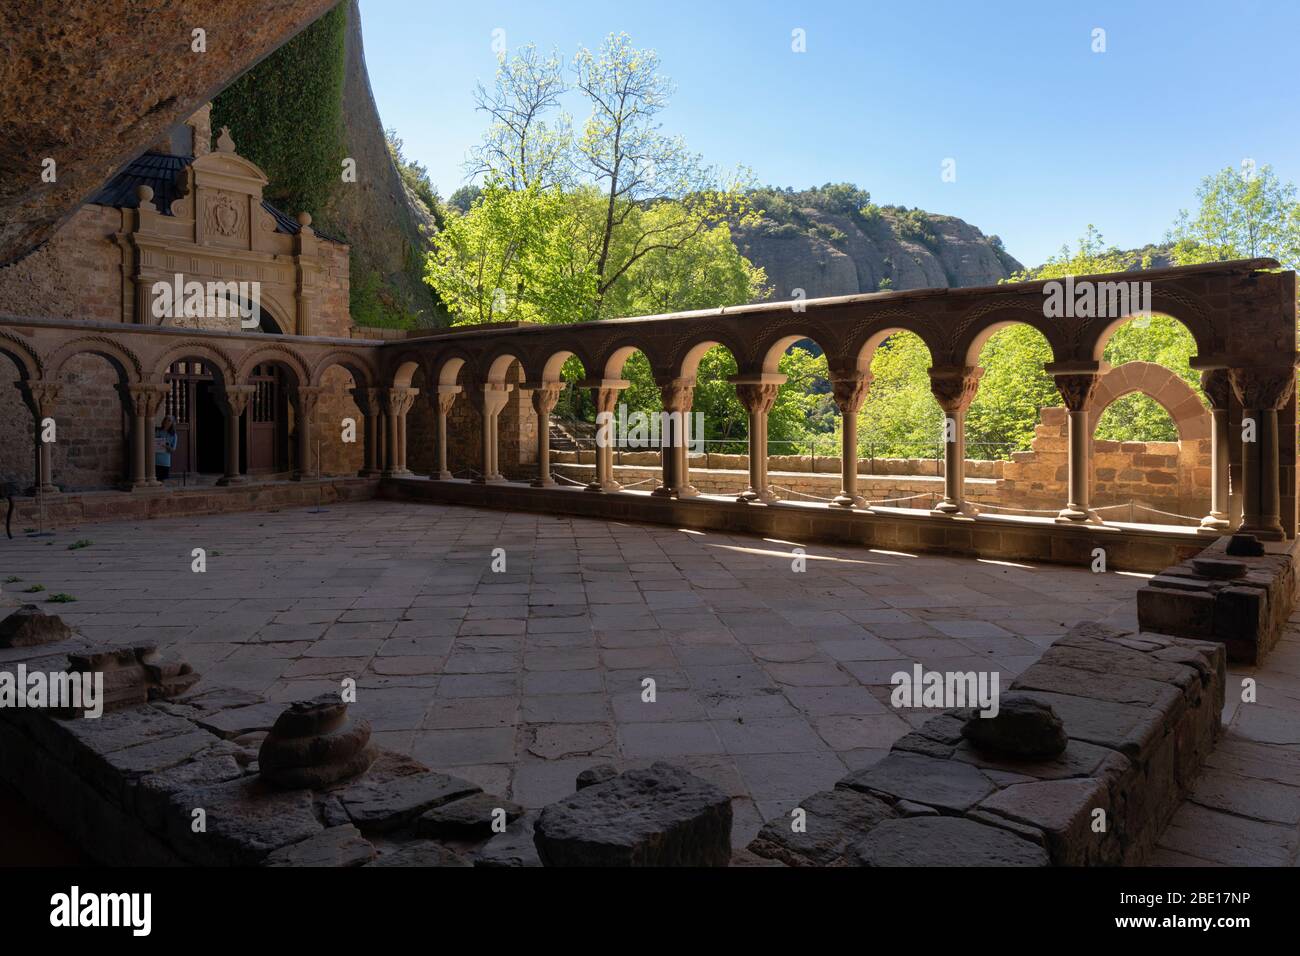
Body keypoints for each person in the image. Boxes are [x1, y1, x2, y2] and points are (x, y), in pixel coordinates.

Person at [155, 415, 178, 482]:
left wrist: (165, 446)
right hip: (155, 461)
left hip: (165, 462)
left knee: (162, 482)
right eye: (166, 419)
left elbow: (173, 450)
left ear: (172, 423)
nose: (167, 421)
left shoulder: (174, 435)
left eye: (169, 420)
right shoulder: (157, 431)